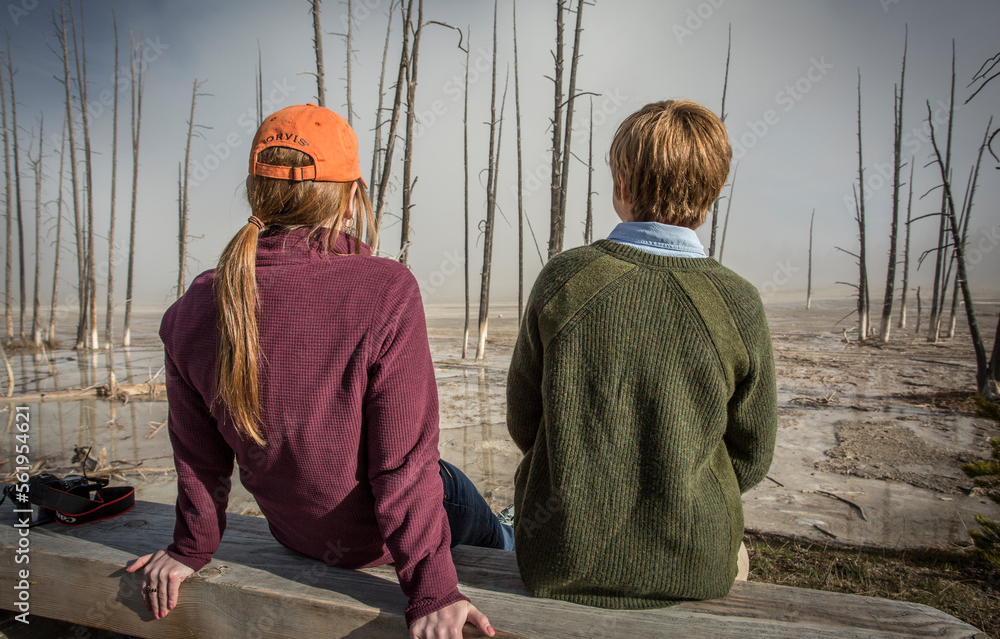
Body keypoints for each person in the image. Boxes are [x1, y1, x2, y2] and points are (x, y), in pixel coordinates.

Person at [126, 103, 510, 638]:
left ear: (257, 193)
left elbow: (198, 461)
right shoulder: (385, 290)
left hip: (297, 536)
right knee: (483, 519)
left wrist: (190, 549)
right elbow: (404, 465)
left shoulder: (190, 309)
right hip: (383, 541)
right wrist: (431, 591)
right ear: (352, 199)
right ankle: (509, 541)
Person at [506, 99, 778, 608]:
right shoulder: (737, 302)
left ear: (622, 187)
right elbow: (752, 453)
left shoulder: (564, 279)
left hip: (559, 556)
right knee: (741, 561)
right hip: (694, 564)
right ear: (712, 193)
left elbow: (525, 420)